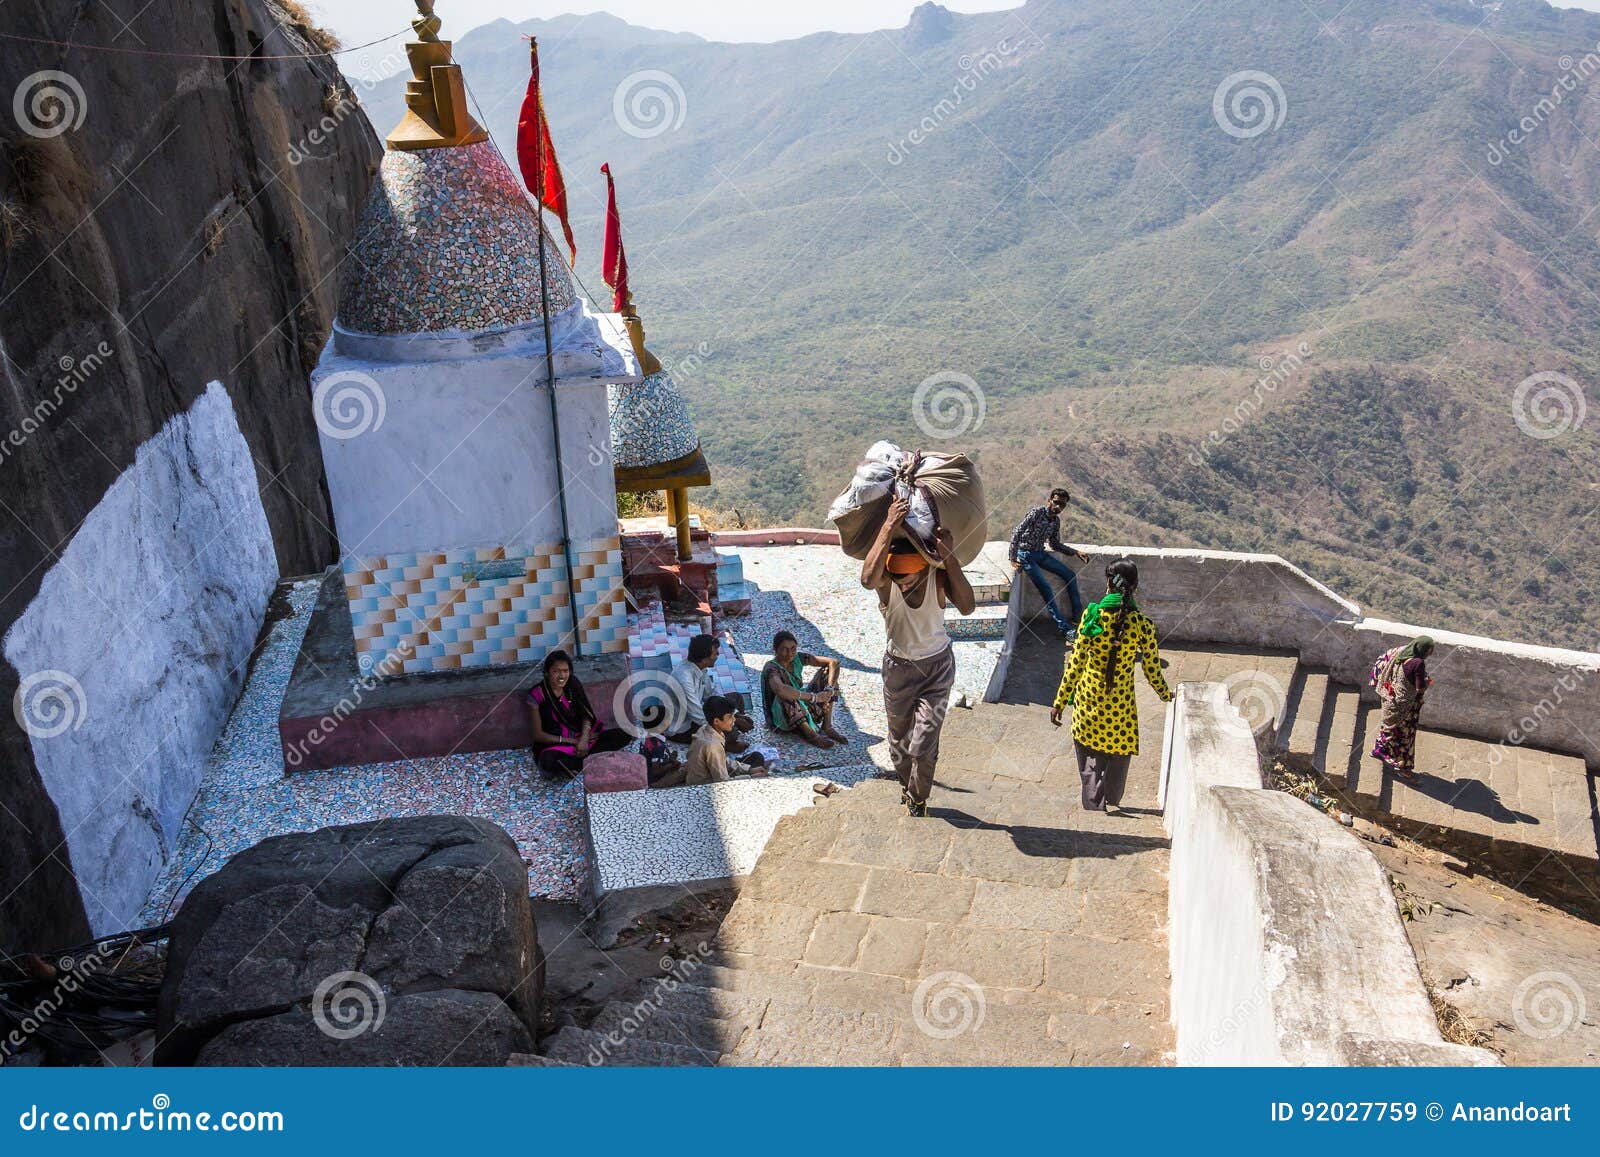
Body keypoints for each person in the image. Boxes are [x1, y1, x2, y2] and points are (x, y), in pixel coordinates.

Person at [861, 494, 976, 817]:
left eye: (908, 577)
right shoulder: (887, 584)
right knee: (898, 739)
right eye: (897, 577)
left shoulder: (938, 578)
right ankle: (905, 785)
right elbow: (868, 579)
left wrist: (949, 556)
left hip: (937, 668)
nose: (902, 583)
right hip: (898, 669)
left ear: (924, 568)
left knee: (924, 741)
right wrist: (888, 525)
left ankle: (918, 798)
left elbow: (968, 607)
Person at [1050, 559, 1172, 813]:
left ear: (1108, 583)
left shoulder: (1092, 617)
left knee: (1088, 753)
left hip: (1089, 702)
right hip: (1121, 708)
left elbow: (1076, 664)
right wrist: (1166, 694)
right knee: (1119, 752)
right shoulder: (1143, 625)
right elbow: (1152, 669)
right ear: (1135, 586)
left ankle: (1093, 804)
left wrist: (1060, 701)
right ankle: (1113, 796)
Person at [527, 649, 630, 778]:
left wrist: (584, 739)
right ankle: (587, 761)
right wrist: (573, 741)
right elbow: (538, 735)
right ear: (547, 673)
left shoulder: (572, 683)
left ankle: (575, 764)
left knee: (623, 735)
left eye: (565, 671)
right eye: (556, 671)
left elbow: (586, 714)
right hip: (557, 742)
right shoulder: (537, 694)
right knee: (547, 761)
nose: (561, 676)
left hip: (582, 735)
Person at [1010, 487, 1089, 636]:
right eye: (1056, 502)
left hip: (1040, 553)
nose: (1058, 506)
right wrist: (1013, 558)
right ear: (1050, 500)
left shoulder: (1055, 521)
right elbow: (1017, 532)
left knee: (1070, 575)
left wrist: (1076, 552)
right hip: (1026, 554)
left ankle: (1078, 618)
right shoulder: (1036, 513)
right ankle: (1065, 628)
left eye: (1062, 505)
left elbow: (1054, 544)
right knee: (1046, 589)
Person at [668, 634, 754, 752]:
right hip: (684, 727)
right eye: (715, 653)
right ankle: (727, 742)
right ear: (705, 659)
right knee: (729, 730)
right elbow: (698, 716)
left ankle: (730, 732)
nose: (718, 655)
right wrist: (731, 722)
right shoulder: (684, 678)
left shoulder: (699, 667)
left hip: (698, 712)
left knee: (736, 698)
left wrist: (735, 714)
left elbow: (712, 694)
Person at [761, 630, 846, 748]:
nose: (790, 653)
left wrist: (829, 690)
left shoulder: (799, 658)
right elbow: (780, 689)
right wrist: (814, 697)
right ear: (775, 650)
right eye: (784, 649)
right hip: (782, 716)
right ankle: (811, 735)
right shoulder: (771, 668)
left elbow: (833, 663)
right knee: (787, 693)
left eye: (793, 648)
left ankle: (827, 726)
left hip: (801, 706)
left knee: (828, 674)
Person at [1368, 636, 1435, 782]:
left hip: (1391, 699)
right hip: (1404, 706)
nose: (1432, 652)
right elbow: (1419, 688)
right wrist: (1427, 682)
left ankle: (1378, 750)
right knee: (1404, 736)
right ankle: (1402, 768)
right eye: (1430, 649)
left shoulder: (1401, 652)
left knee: (1389, 728)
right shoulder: (1418, 663)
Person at [679, 695, 769, 785]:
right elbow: (723, 782)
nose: (734, 720)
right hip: (705, 786)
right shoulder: (712, 746)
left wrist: (749, 769)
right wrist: (751, 777)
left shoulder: (705, 728)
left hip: (712, 773)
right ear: (716, 721)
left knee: (757, 757)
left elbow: (723, 761)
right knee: (759, 773)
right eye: (730, 717)